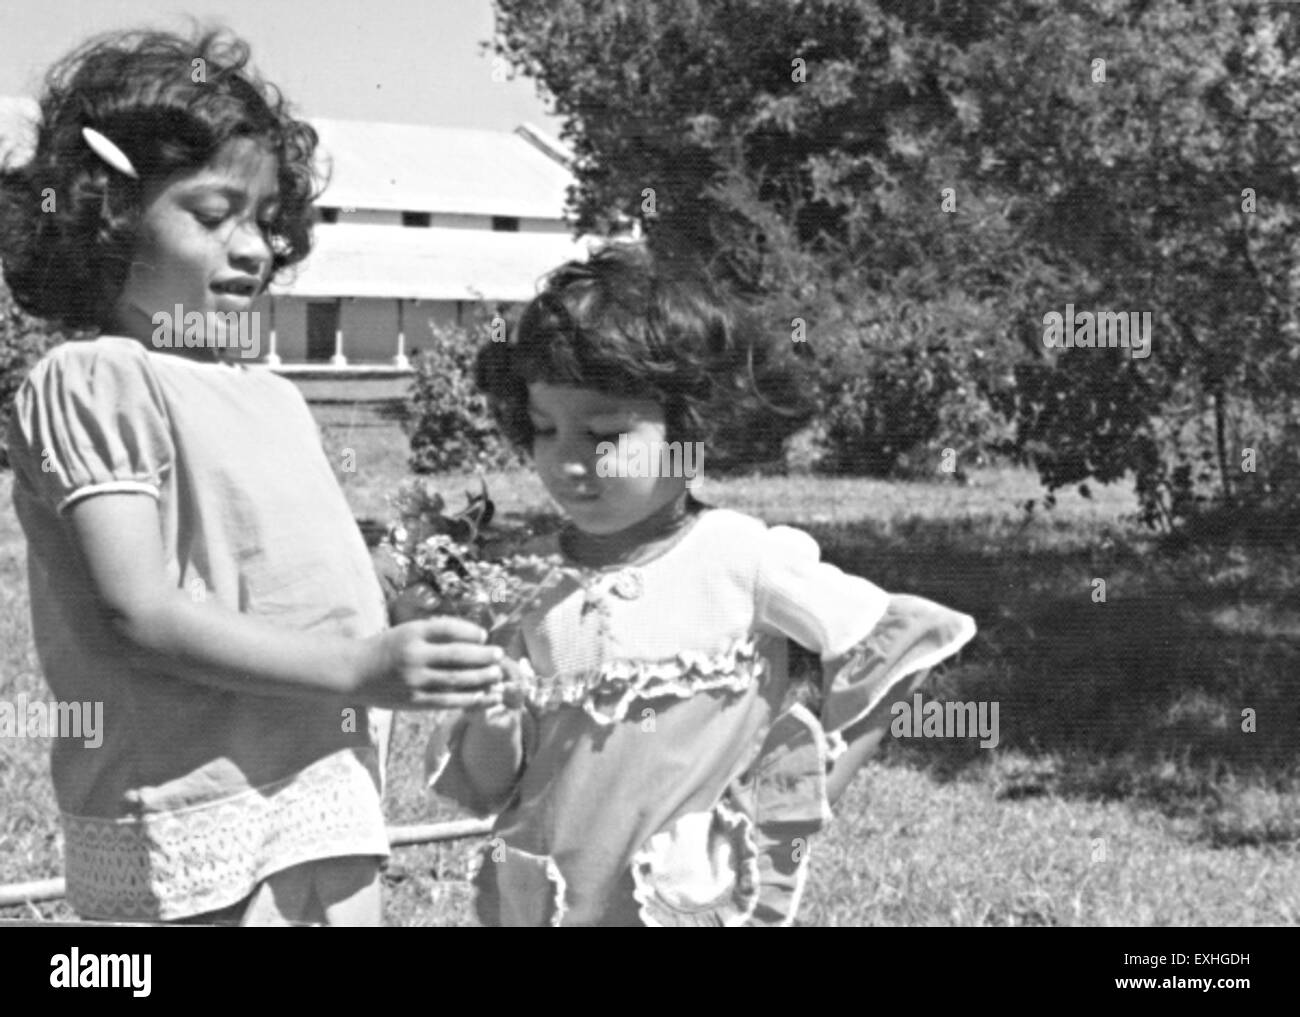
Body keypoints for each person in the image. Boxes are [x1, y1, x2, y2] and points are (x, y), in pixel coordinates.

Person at [0, 28, 504, 925]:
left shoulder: (267, 391)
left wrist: (398, 589)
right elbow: (137, 615)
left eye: (266, 218)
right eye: (210, 214)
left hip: (320, 770)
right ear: (106, 217)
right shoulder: (96, 378)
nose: (254, 247)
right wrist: (357, 664)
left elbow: (278, 557)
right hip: (195, 786)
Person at [427, 242, 977, 926]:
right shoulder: (532, 583)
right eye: (544, 429)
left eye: (602, 434)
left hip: (681, 898)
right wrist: (495, 715)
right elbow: (490, 785)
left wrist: (798, 795)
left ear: (689, 428)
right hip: (550, 899)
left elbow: (896, 644)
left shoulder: (740, 558)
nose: (567, 461)